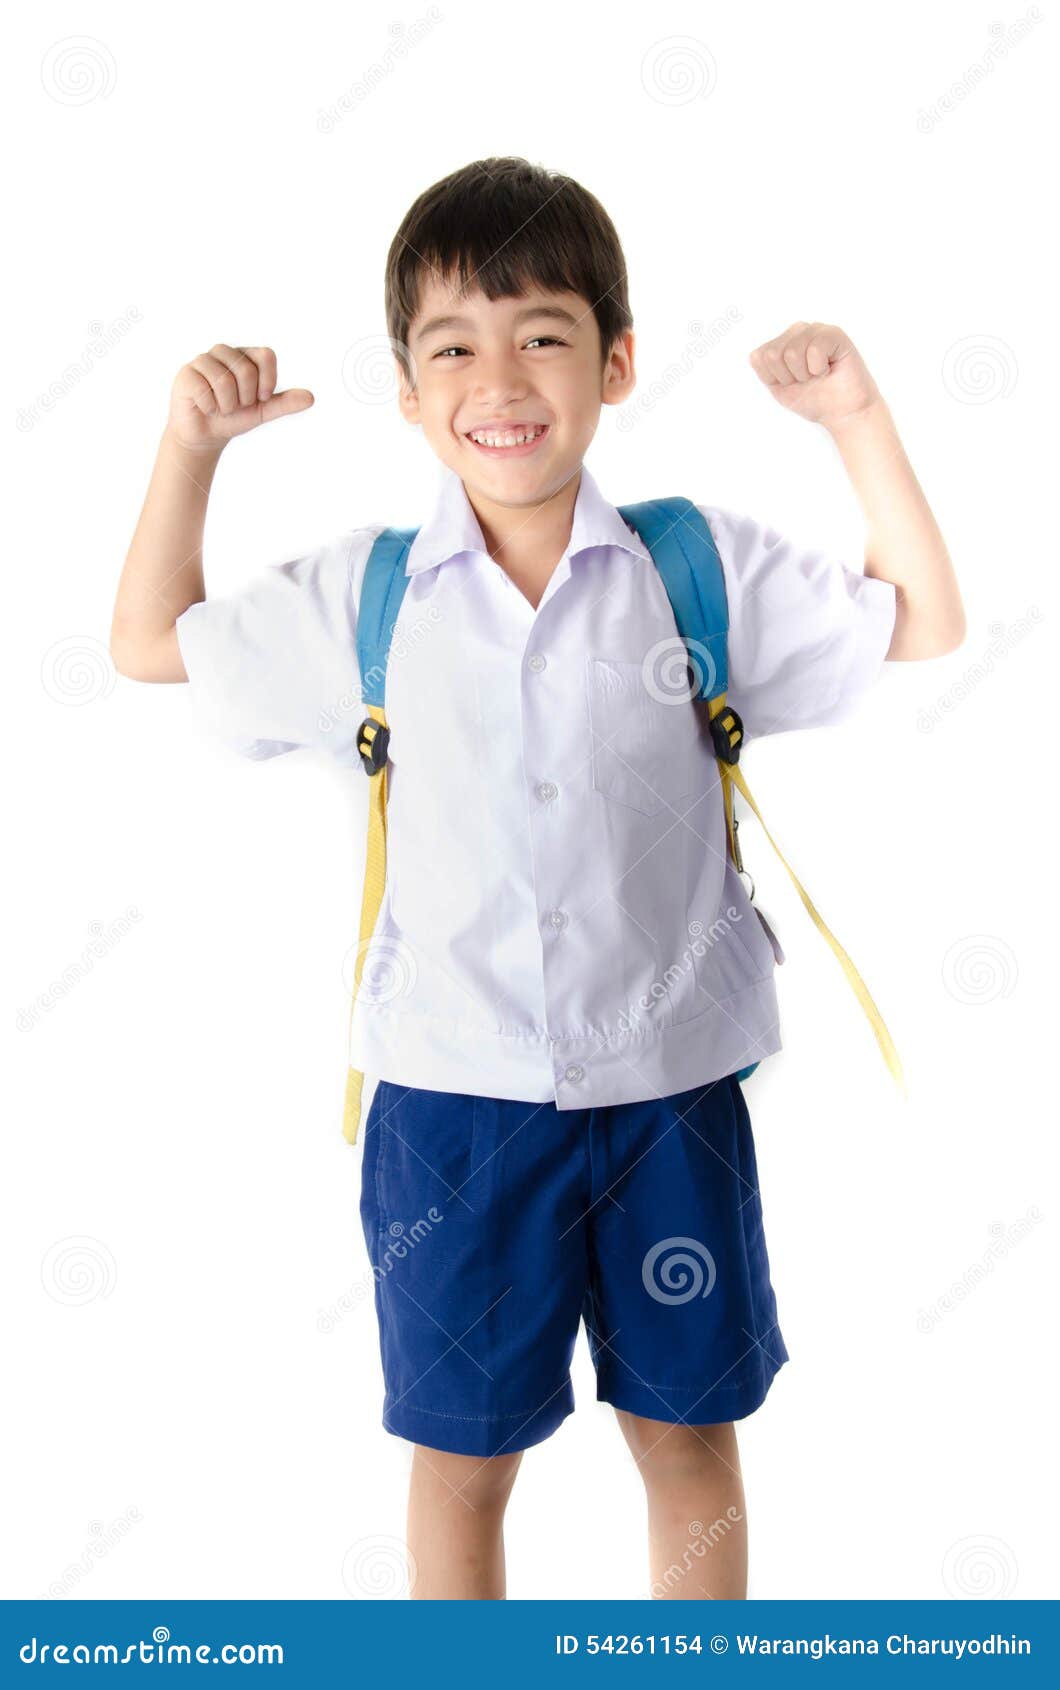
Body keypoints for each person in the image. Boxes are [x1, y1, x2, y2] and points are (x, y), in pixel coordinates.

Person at [110, 157, 965, 1600]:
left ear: (617, 359)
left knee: (688, 1439)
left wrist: (857, 422)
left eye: (544, 334)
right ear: (407, 387)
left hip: (672, 1096)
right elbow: (151, 644)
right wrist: (190, 449)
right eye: (453, 343)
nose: (497, 375)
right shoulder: (369, 595)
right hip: (452, 1109)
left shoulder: (693, 567)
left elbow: (925, 619)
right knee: (462, 1462)